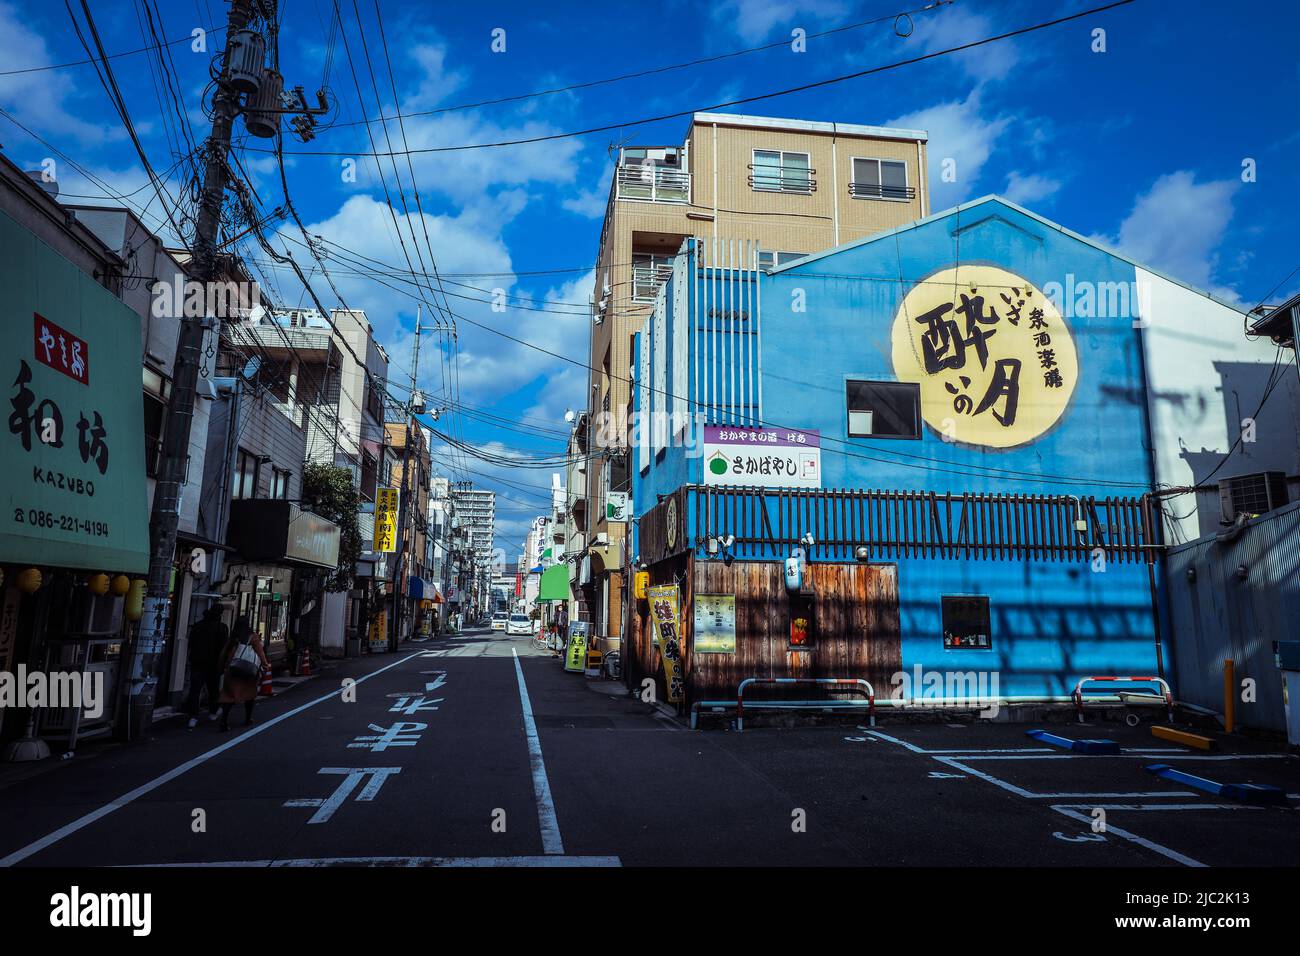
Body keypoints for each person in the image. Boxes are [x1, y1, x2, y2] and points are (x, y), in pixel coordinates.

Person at [217, 616, 269, 731]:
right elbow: (260, 652)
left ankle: (224, 720)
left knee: (229, 695)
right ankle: (247, 718)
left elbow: (224, 652)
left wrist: (223, 667)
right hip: (247, 669)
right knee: (249, 695)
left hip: (232, 668)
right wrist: (265, 664)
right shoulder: (252, 636)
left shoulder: (233, 636)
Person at [185, 607, 228, 728]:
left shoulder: (197, 626)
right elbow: (224, 648)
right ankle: (213, 712)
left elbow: (191, 643)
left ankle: (193, 717)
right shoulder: (222, 628)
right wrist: (223, 664)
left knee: (195, 690)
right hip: (214, 664)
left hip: (197, 663)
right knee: (213, 689)